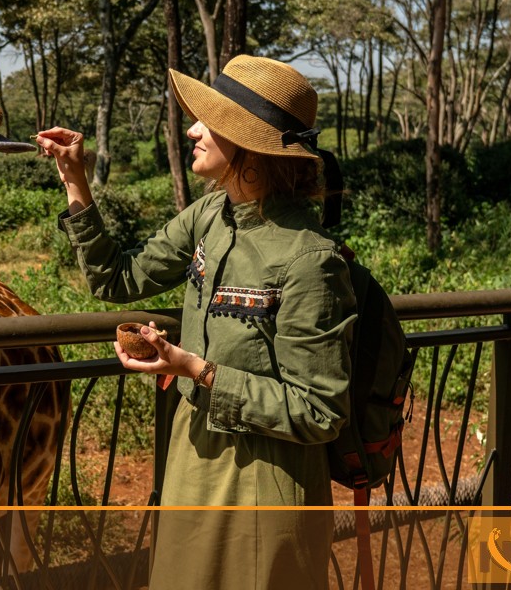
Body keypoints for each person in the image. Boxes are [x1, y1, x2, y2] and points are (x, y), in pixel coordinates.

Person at [36, 54, 355, 590]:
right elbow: (118, 278)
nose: (192, 129)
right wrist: (75, 181)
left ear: (251, 145)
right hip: (192, 456)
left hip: (264, 483)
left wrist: (199, 371)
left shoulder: (310, 259)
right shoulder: (211, 214)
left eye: (211, 121)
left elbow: (320, 411)